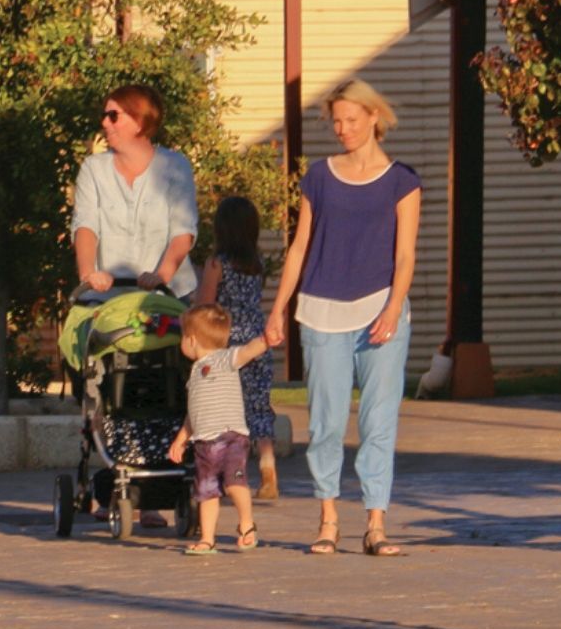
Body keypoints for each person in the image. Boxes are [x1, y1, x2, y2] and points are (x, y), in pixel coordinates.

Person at [267, 80, 420, 558]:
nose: (343, 129)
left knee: (379, 421)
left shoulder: (402, 181)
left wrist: (393, 306)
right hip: (321, 312)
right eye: (336, 121)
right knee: (326, 422)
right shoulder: (319, 177)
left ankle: (376, 524)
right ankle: (328, 519)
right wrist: (278, 307)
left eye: (351, 119)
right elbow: (299, 248)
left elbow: (405, 255)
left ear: (374, 117)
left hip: (381, 312)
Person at [72, 84, 200, 299]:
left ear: (139, 122)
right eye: (104, 116)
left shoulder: (175, 166)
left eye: (113, 116)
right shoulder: (93, 169)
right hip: (107, 297)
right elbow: (85, 224)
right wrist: (88, 274)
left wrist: (161, 277)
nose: (104, 123)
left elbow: (183, 231)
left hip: (165, 296)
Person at [196, 195, 280, 501]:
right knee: (258, 405)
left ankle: (232, 474)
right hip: (257, 339)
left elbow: (206, 304)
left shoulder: (217, 264)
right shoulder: (257, 262)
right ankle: (268, 468)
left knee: (226, 408)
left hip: (226, 341)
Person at [169, 302, 271, 554]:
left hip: (230, 437)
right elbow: (193, 413)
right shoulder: (194, 372)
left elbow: (247, 351)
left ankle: (246, 524)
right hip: (204, 443)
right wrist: (181, 439)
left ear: (191, 340)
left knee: (234, 483)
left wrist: (266, 339)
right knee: (206, 492)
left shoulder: (224, 358)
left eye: (182, 336)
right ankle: (207, 538)